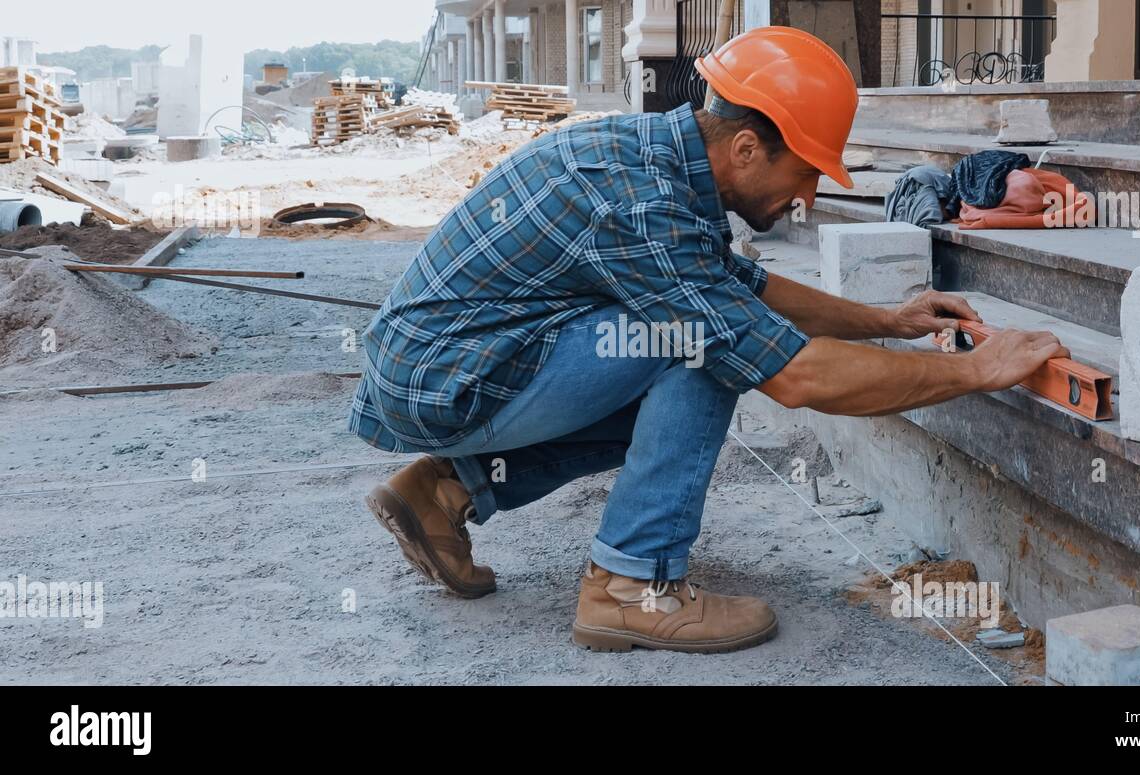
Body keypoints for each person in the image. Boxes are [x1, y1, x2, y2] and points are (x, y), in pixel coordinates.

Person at [348, 26, 1068, 654]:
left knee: (708, 323)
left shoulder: (657, 162)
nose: (809, 198)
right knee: (701, 349)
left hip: (444, 365)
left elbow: (742, 285)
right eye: (808, 173)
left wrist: (890, 321)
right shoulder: (643, 202)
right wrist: (981, 373)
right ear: (749, 148)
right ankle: (635, 583)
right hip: (443, 379)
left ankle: (446, 487)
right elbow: (797, 377)